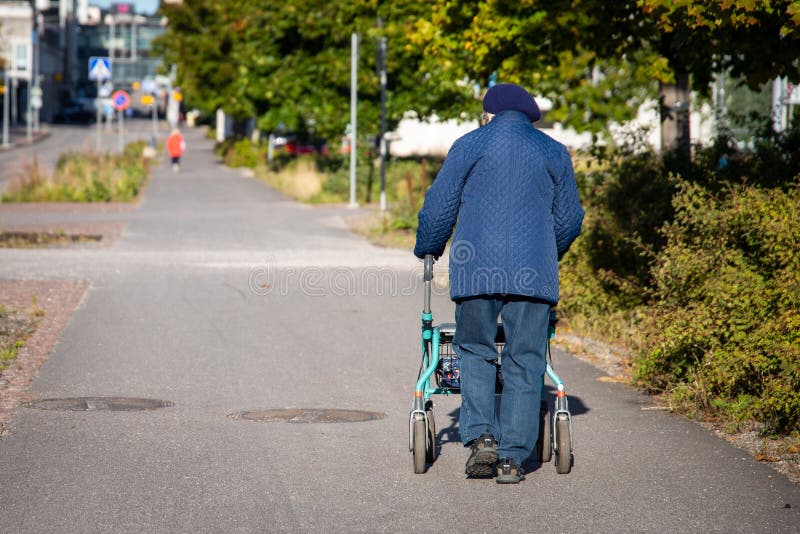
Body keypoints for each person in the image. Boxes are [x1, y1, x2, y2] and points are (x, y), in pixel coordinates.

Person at [414, 83, 584, 484]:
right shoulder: (553, 151)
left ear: (488, 113)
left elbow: (440, 205)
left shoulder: (469, 144)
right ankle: (511, 459)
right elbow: (570, 218)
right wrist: (544, 252)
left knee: (474, 348)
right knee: (525, 359)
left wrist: (428, 247)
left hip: (476, 270)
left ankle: (482, 436)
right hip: (533, 274)